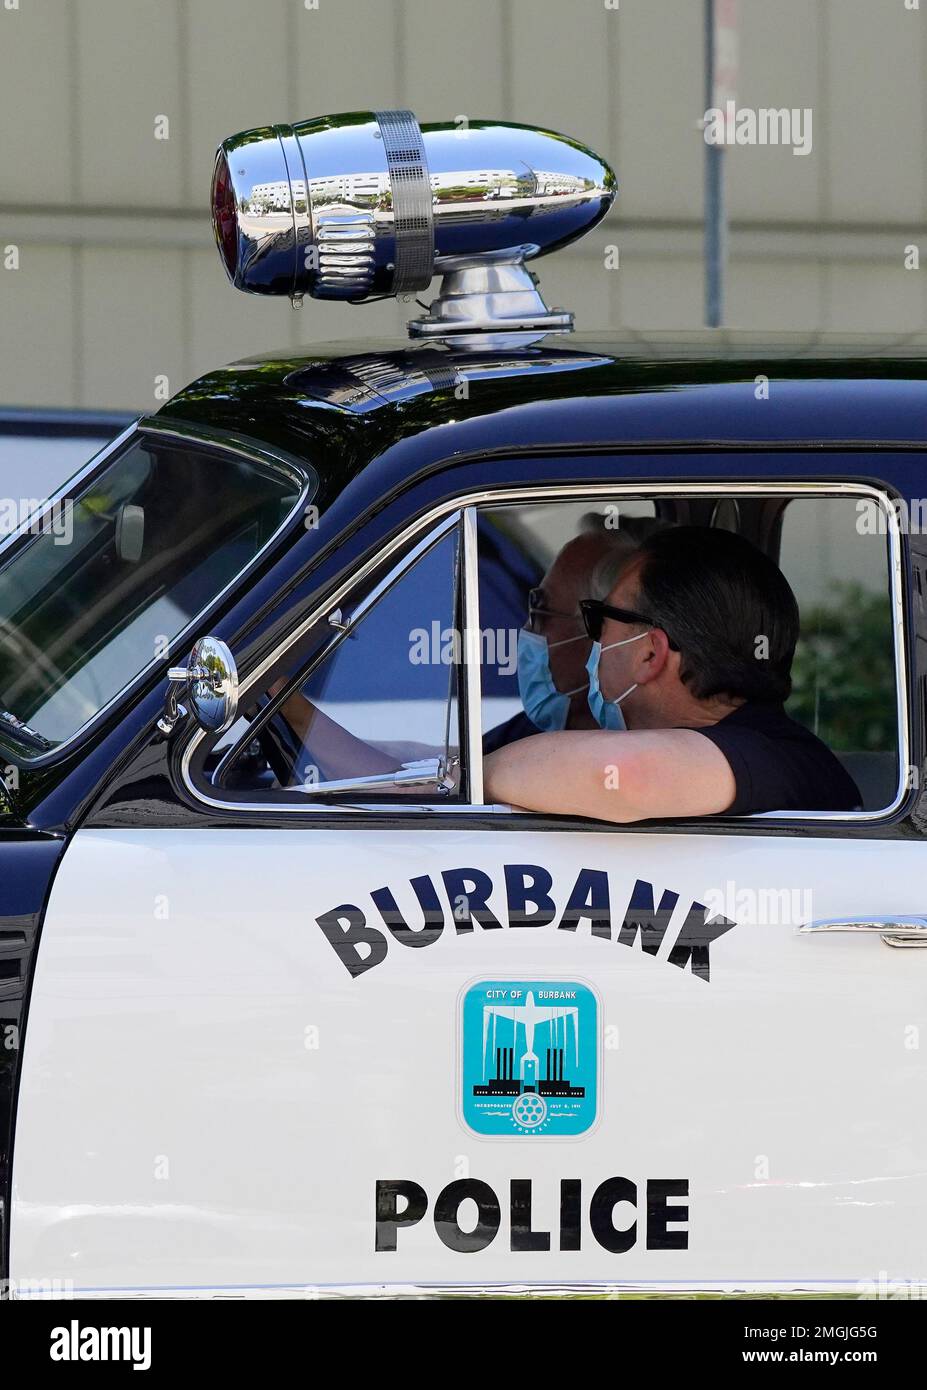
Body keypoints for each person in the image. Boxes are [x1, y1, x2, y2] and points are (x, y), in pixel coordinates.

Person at [483, 525, 861, 821]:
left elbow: (620, 775)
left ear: (651, 654)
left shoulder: (777, 758)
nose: (591, 644)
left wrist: (467, 779)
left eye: (600, 620)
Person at [484, 519, 643, 753]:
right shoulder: (527, 733)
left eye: (541, 610)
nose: (528, 629)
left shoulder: (639, 762)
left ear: (601, 635)